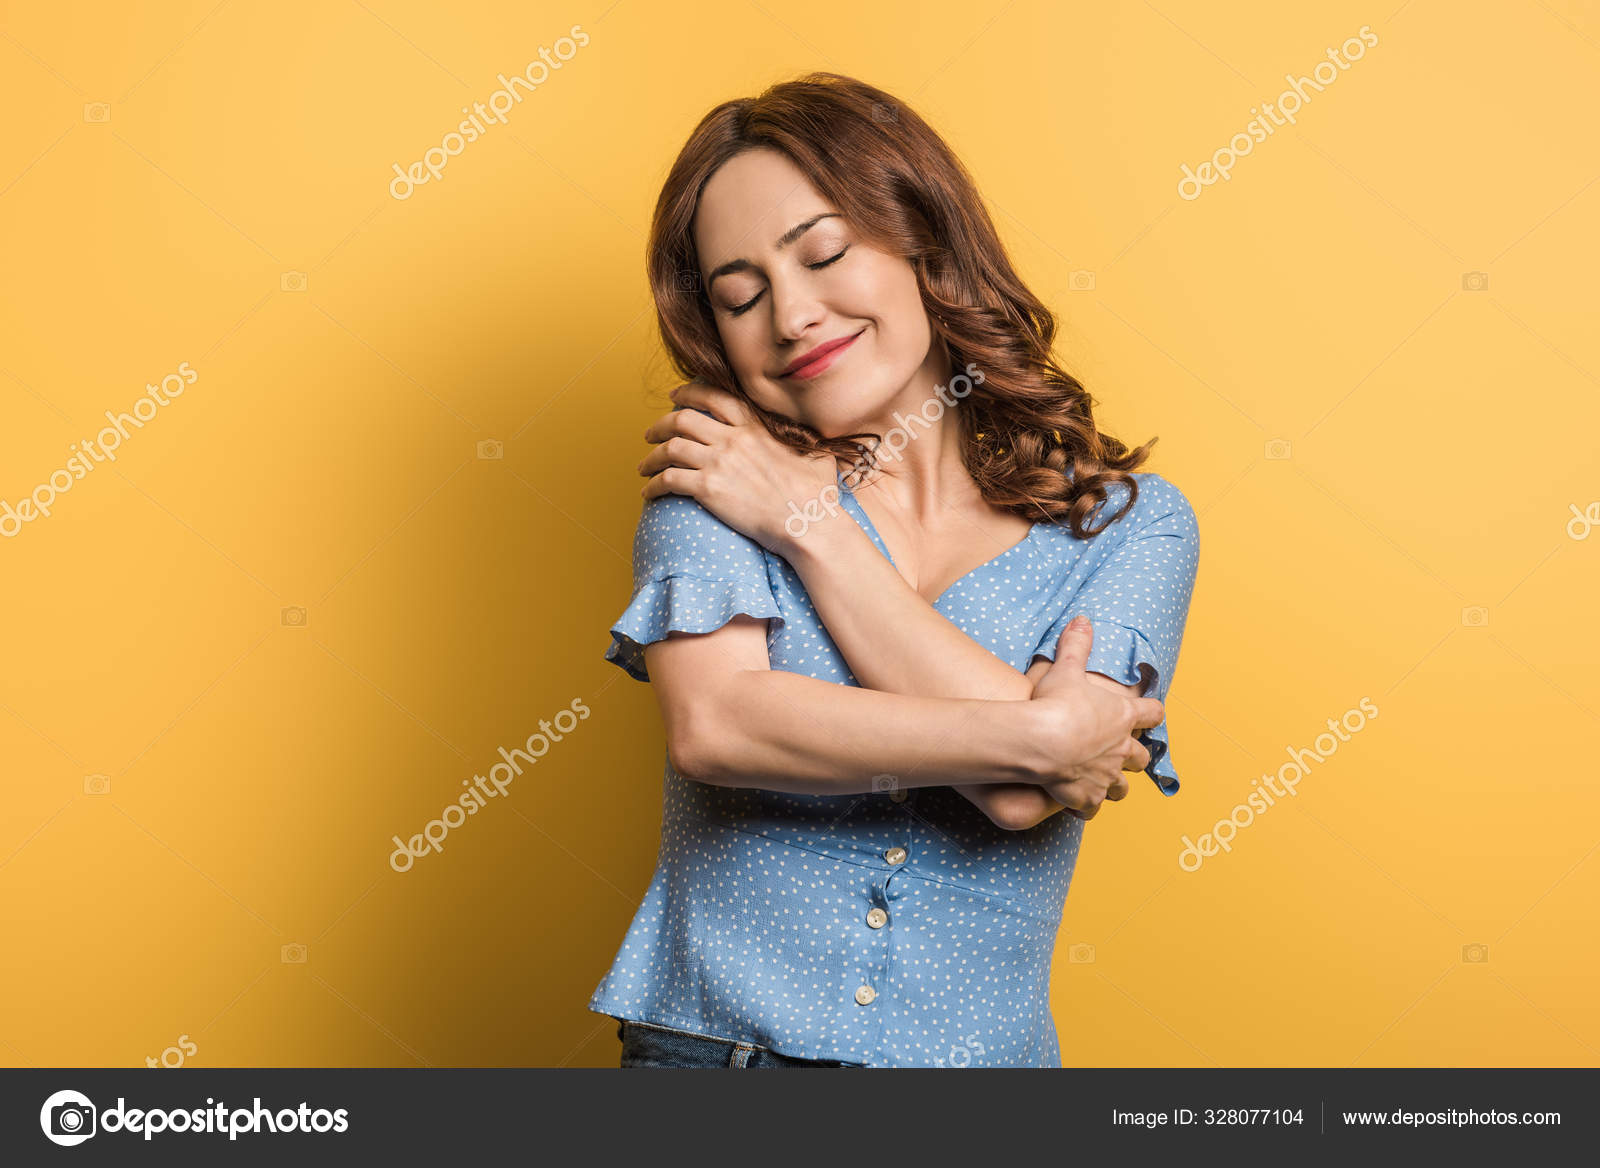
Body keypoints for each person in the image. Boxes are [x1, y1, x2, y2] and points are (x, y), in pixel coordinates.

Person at [592, 72, 1200, 1069]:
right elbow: (718, 724)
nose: (791, 316)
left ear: (927, 242)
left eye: (824, 253)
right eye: (740, 296)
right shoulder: (713, 476)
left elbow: (1021, 797)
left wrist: (811, 531)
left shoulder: (1131, 527)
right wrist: (1039, 726)